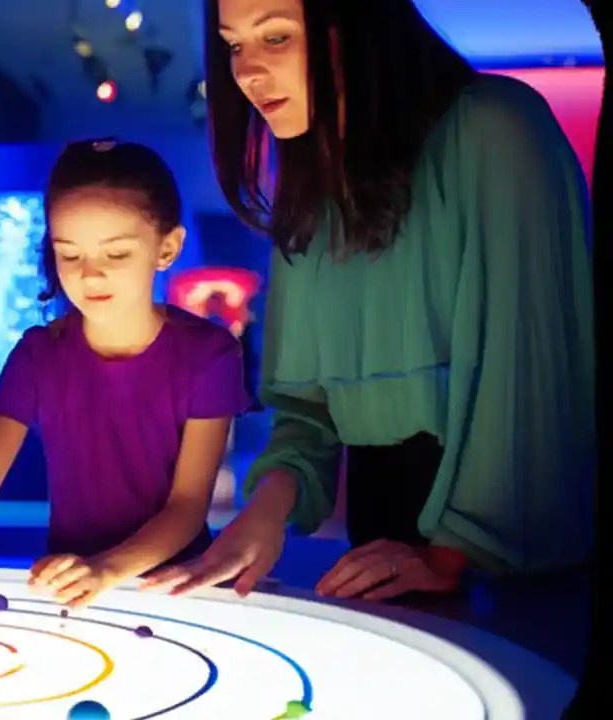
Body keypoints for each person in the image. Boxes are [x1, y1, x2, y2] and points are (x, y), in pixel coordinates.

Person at [143, 0, 594, 603]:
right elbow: (307, 410)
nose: (247, 71)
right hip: (380, 541)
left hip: (510, 554)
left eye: (276, 37)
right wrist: (264, 515)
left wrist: (453, 554)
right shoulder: (311, 188)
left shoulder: (498, 125)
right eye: (234, 46)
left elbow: (532, 374)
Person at [0, 140, 251, 608]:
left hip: (175, 590)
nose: (91, 275)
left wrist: (107, 569)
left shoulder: (210, 355)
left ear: (168, 247)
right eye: (70, 254)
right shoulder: (39, 355)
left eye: (115, 255)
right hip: (66, 586)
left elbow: (187, 505)